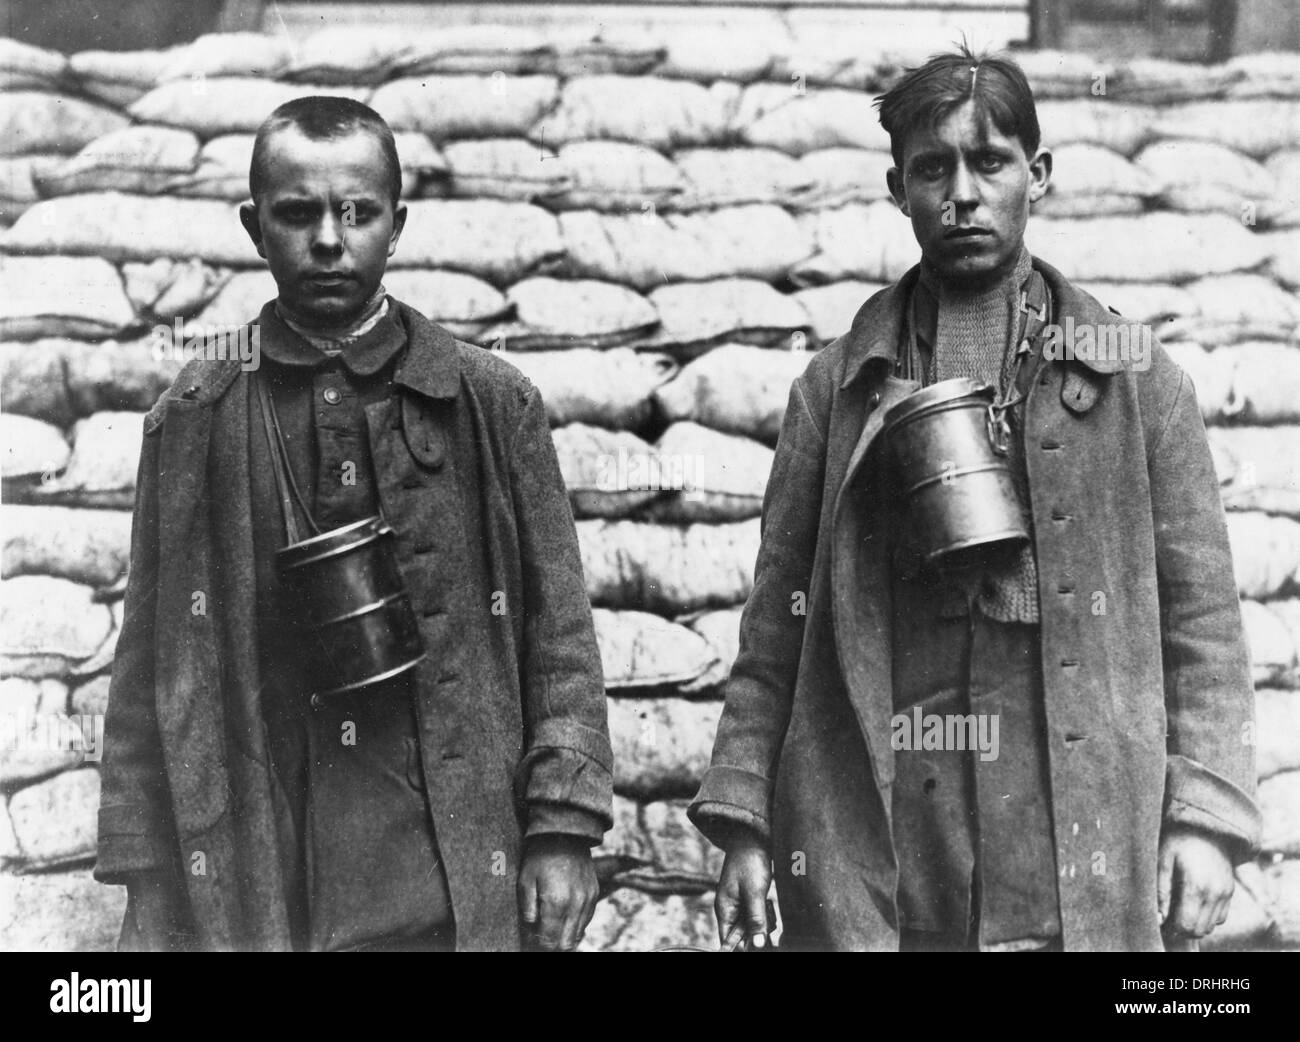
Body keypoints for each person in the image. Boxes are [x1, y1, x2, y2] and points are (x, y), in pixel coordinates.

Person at [688, 46, 1260, 952]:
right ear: (896, 188)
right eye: (932, 168)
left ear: (1038, 176)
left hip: (1069, 793)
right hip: (891, 792)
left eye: (989, 163)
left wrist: (1202, 820)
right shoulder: (835, 390)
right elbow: (776, 628)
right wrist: (747, 822)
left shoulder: (1137, 382)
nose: (962, 192)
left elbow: (1202, 624)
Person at [93, 97, 613, 952]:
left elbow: (558, 635)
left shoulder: (488, 400)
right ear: (254, 228)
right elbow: (154, 666)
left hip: (448, 860)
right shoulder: (197, 413)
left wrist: (562, 828)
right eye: (297, 215)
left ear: (396, 224)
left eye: (357, 213)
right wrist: (148, 874)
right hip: (271, 861)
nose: (329, 241)